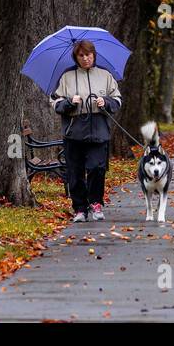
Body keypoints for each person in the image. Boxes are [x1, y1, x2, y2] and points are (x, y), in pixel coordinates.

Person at [51, 40, 122, 222]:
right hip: (74, 131)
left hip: (99, 129)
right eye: (81, 55)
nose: (85, 58)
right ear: (76, 57)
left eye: (88, 55)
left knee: (97, 168)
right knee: (75, 171)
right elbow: (54, 102)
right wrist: (68, 102)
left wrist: (105, 102)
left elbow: (117, 100)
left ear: (94, 55)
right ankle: (80, 209)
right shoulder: (67, 77)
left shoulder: (105, 75)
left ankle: (96, 203)